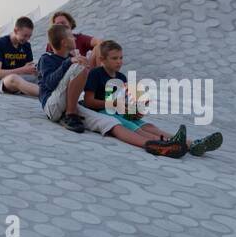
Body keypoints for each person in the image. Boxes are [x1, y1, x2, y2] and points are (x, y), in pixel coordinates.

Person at [37, 27, 185, 157]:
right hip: (53, 105)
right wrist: (69, 63)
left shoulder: (119, 76)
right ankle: (70, 114)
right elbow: (49, 83)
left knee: (110, 123)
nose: (74, 38)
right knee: (80, 67)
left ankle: (154, 145)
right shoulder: (47, 58)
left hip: (73, 105)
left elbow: (117, 101)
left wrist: (134, 107)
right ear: (63, 42)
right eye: (71, 36)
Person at [82, 40, 222, 157]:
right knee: (136, 129)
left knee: (147, 125)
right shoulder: (96, 74)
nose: (119, 62)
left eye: (121, 58)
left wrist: (136, 108)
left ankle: (193, 144)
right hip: (103, 112)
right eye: (114, 58)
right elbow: (89, 102)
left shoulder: (121, 77)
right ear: (102, 60)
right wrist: (113, 104)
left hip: (117, 111)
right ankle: (166, 144)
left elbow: (123, 101)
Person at [0, 16, 38, 97]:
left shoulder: (26, 45)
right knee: (13, 78)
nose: (27, 39)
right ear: (15, 30)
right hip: (3, 82)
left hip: (23, 79)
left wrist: (35, 70)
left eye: (29, 36)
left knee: (42, 74)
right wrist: (23, 70)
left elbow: (29, 69)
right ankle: (45, 94)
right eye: (25, 35)